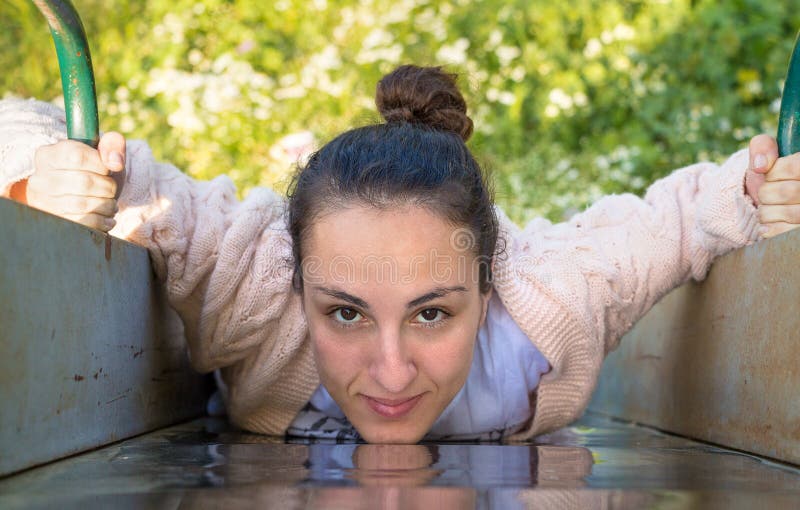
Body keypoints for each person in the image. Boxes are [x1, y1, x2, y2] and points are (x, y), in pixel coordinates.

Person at [1, 65, 799, 444]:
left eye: (432, 313)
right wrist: (51, 178)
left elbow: (683, 216)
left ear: (487, 288)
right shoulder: (255, 270)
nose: (388, 373)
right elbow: (33, 122)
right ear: (296, 278)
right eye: (344, 312)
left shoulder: (555, 298)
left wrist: (763, 192)